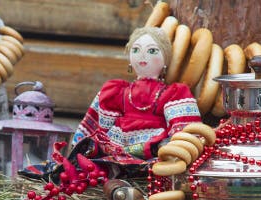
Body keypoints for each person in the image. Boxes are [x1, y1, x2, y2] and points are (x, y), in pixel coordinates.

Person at [71, 26, 202, 164]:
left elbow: (183, 130)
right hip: (117, 145)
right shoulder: (116, 91)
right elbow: (97, 126)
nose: (142, 55)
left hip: (154, 148)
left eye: (152, 51)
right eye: (136, 50)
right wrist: (80, 149)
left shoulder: (173, 93)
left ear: (165, 60)